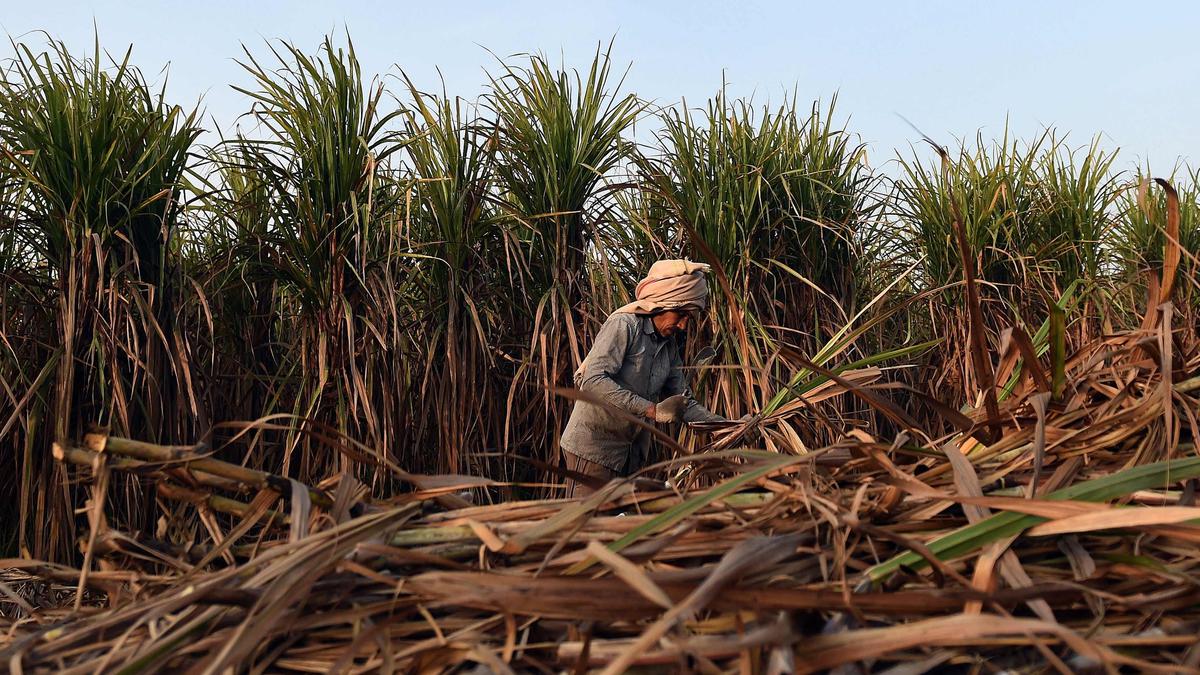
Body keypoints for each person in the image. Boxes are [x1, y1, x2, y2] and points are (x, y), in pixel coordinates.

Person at [559, 259, 727, 496]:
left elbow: (684, 402)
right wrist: (652, 410)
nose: (682, 325)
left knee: (622, 518)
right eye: (680, 314)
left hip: (631, 455)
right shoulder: (624, 326)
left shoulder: (668, 347)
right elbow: (594, 381)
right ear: (661, 304)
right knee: (587, 518)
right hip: (594, 449)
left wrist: (726, 426)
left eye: (688, 318)